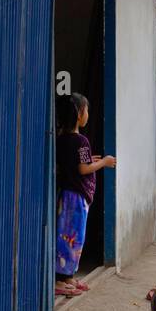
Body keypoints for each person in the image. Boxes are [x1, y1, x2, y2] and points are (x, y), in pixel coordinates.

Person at [55, 93, 115, 297]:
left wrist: (92, 160)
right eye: (86, 110)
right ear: (79, 114)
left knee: (67, 237)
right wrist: (104, 162)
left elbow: (77, 163)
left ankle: (68, 276)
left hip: (67, 195)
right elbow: (83, 169)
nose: (88, 113)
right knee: (72, 238)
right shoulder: (81, 141)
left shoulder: (62, 138)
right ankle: (60, 279)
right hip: (76, 197)